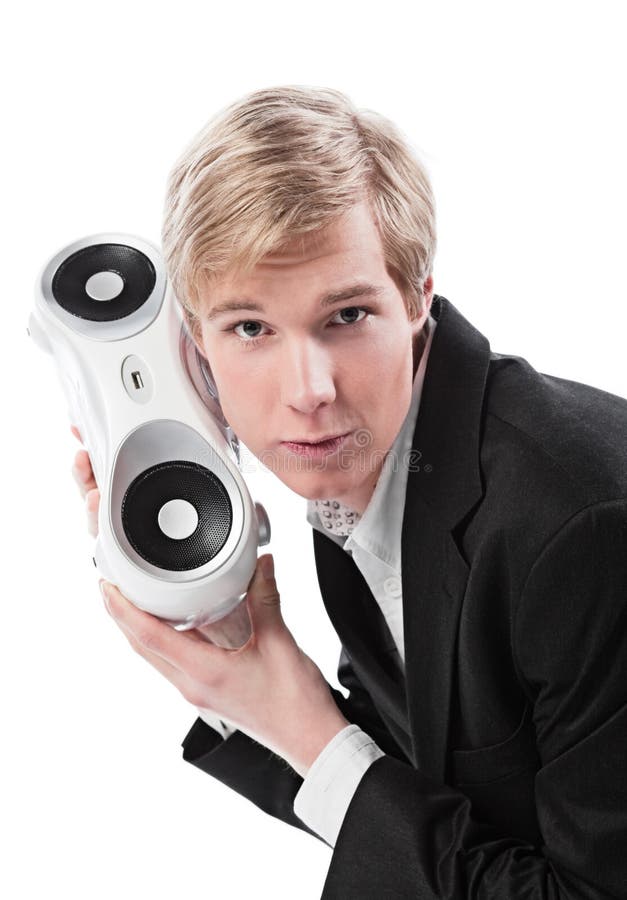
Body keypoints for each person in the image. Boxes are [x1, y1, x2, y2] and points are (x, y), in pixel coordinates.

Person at [71, 86, 627, 898]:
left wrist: (304, 725)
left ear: (416, 297)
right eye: (251, 328)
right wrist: (238, 662)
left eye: (346, 316)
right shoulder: (371, 465)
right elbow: (420, 791)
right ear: (193, 348)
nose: (309, 390)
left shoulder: (580, 531)